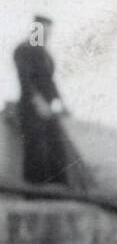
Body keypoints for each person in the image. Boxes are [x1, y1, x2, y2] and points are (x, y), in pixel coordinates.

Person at [12, 14, 72, 185]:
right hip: (30, 107)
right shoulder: (23, 49)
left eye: (48, 32)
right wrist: (39, 103)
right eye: (42, 31)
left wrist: (60, 104)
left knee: (57, 148)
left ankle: (56, 191)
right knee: (35, 149)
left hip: (48, 110)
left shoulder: (45, 55)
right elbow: (26, 80)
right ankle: (34, 192)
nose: (46, 36)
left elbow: (49, 83)